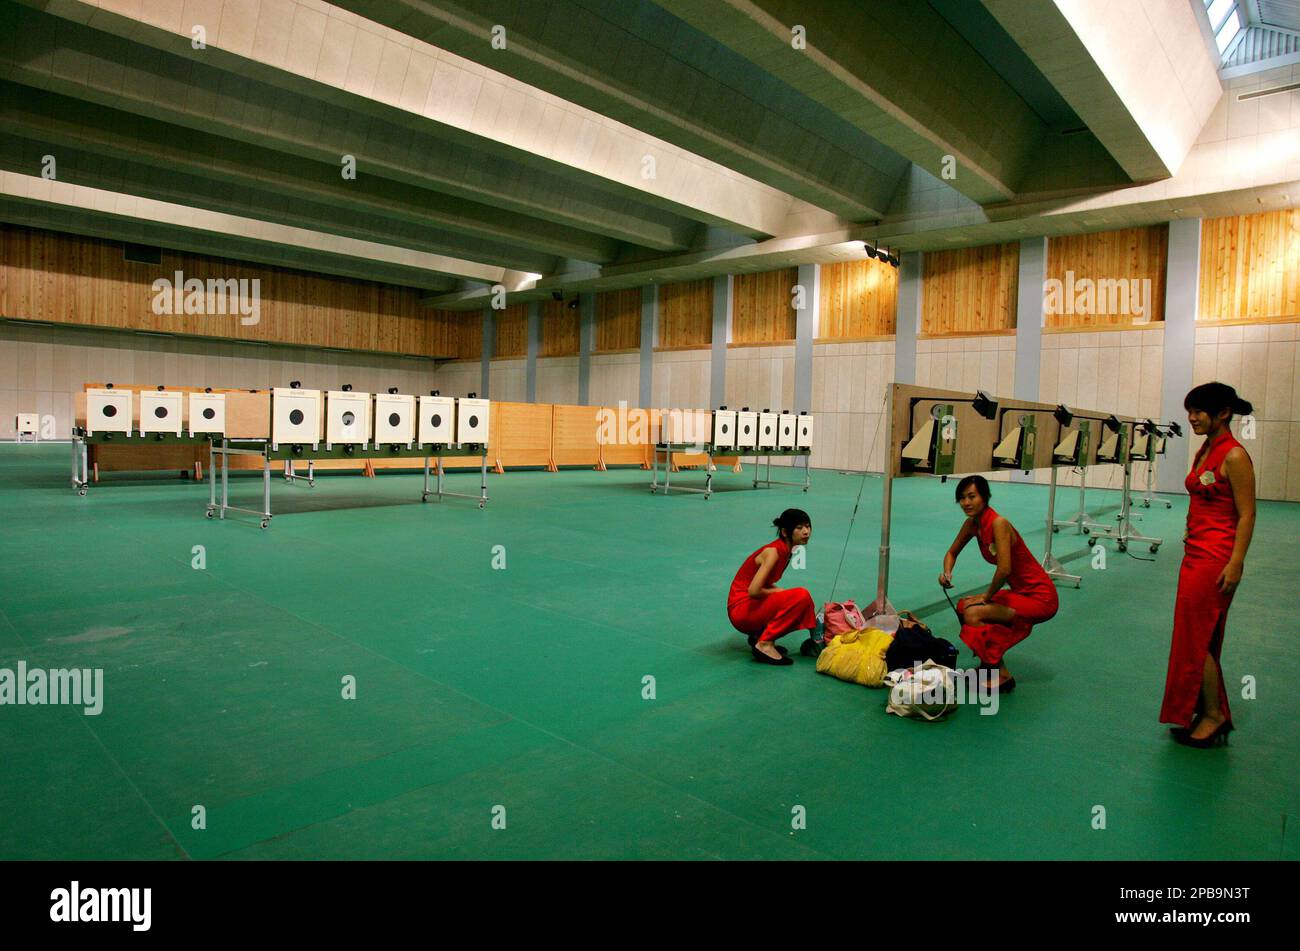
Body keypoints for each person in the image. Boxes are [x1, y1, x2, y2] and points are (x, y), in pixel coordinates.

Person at [1161, 382, 1256, 748]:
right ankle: (1205, 709)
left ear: (1223, 414)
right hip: (1194, 555)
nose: (1192, 418)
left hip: (1215, 559)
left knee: (1195, 638)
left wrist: (1236, 563)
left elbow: (1246, 514)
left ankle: (1214, 715)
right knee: (1197, 636)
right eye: (1190, 411)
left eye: (1199, 411)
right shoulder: (1206, 448)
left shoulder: (1234, 456)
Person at [939, 475, 1058, 690]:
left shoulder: (999, 524)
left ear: (985, 497)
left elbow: (1005, 569)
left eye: (972, 496)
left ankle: (1001, 674)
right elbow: (951, 552)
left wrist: (986, 597)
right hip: (1019, 593)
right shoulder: (972, 525)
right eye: (962, 498)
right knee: (963, 606)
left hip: (1040, 598)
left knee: (973, 613)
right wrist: (947, 573)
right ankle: (988, 666)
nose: (966, 503)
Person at [728, 509, 817, 666]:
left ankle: (816, 641)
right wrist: (777, 591)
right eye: (799, 527)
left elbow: (763, 583)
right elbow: (754, 591)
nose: (806, 532)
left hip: (748, 605)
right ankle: (765, 643)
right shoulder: (773, 552)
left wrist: (778, 593)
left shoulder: (786, 551)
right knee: (801, 595)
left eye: (808, 526)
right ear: (784, 531)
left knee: (801, 599)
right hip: (741, 609)